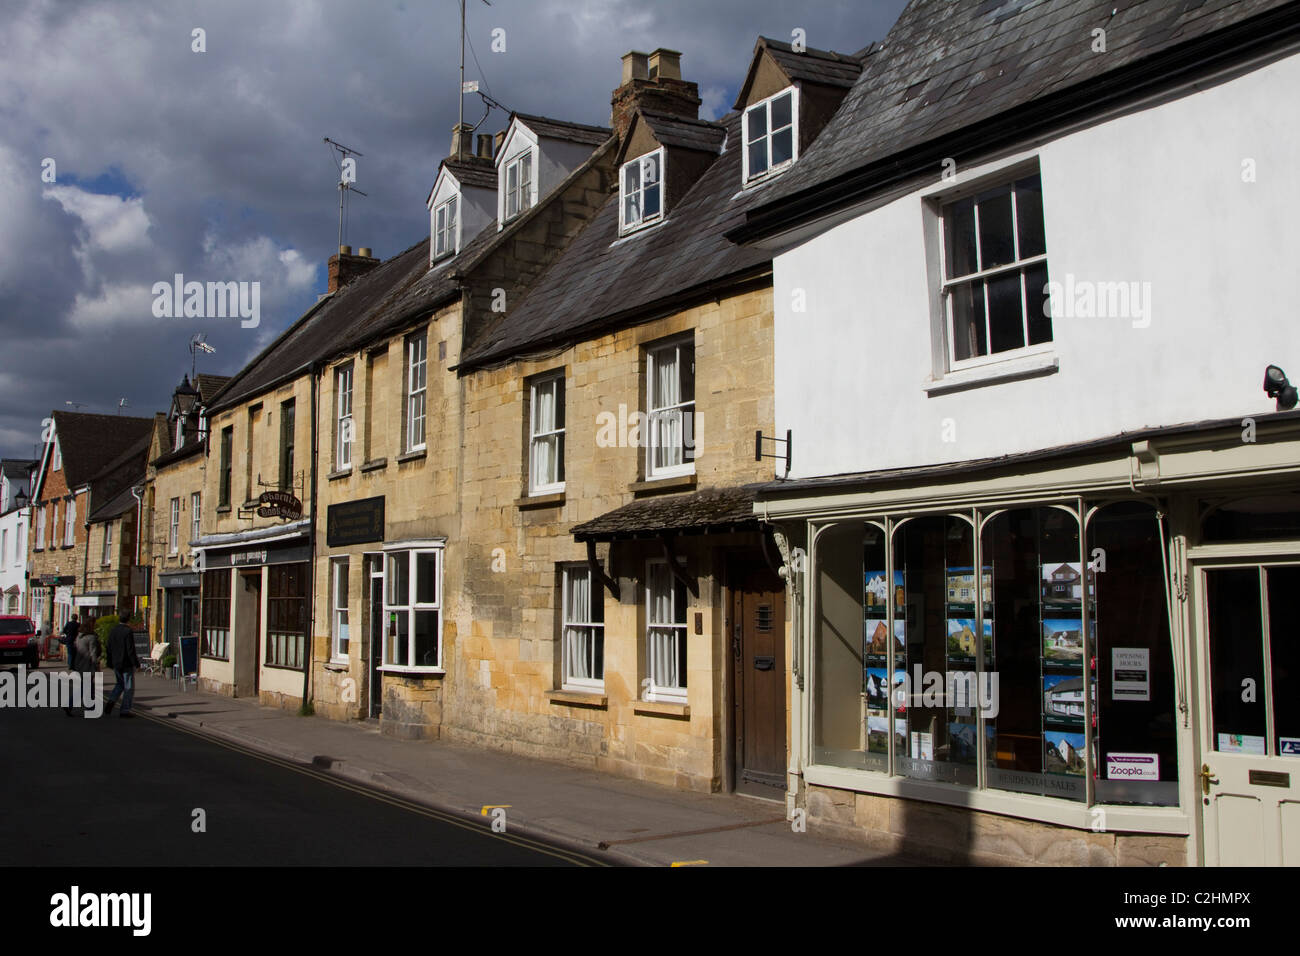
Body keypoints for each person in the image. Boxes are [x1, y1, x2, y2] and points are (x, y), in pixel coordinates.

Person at [104, 612, 140, 719]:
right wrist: (136, 663)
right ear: (128, 619)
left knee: (120, 684)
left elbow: (108, 647)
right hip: (126, 663)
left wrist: (109, 661)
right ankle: (125, 710)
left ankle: (111, 700)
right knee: (129, 687)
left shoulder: (113, 630)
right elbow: (130, 649)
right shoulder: (127, 631)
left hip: (116, 662)